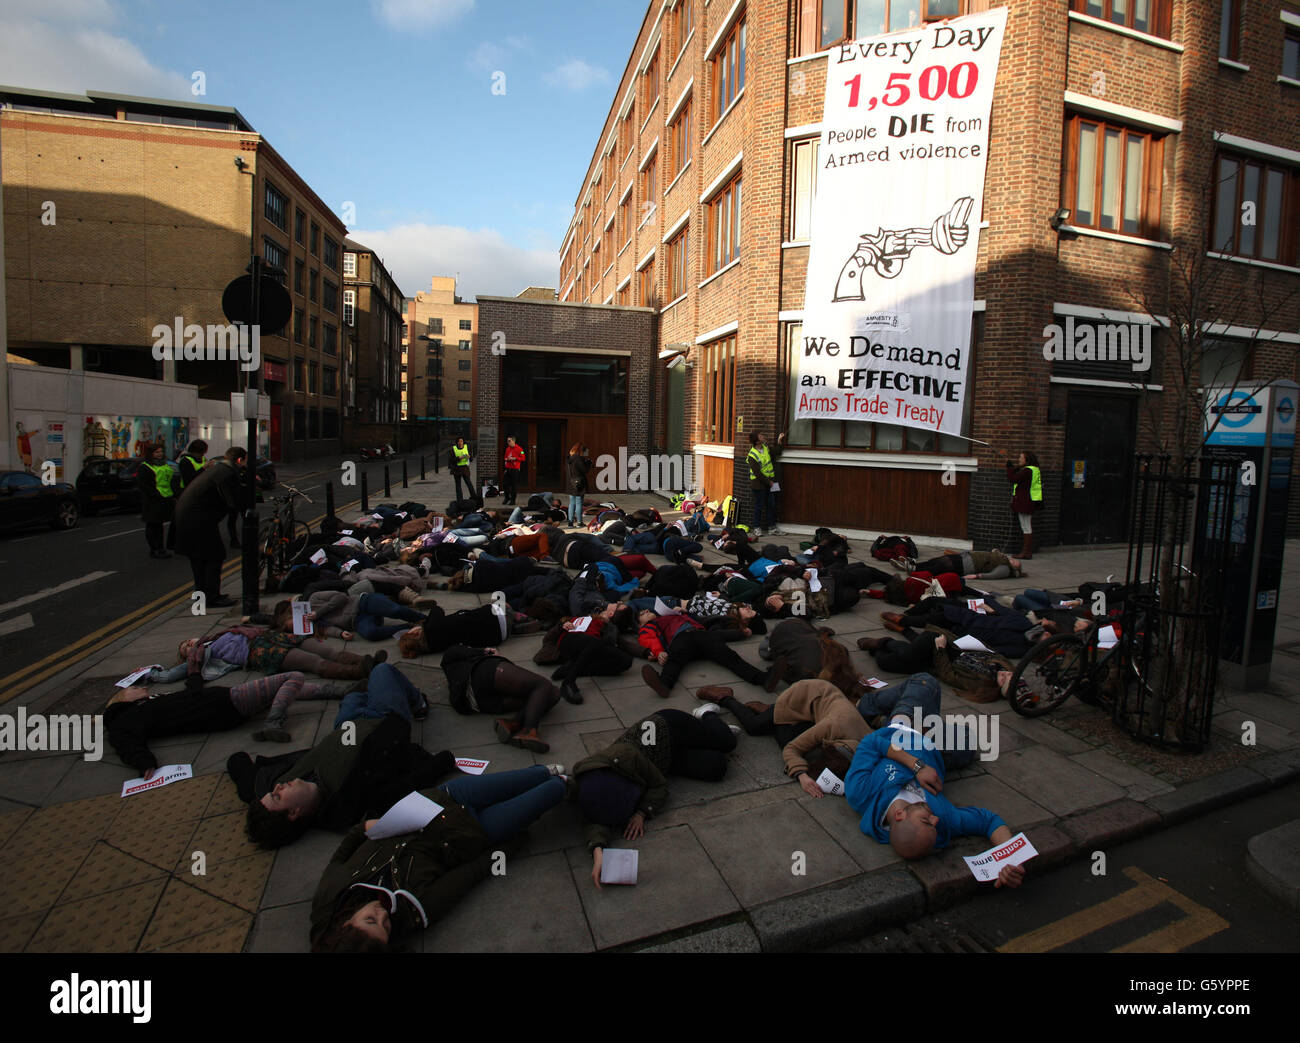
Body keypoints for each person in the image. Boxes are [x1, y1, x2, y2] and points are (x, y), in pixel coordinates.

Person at [309, 765, 568, 951]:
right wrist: (514, 843)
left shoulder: (330, 895)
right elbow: (467, 876)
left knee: (537, 774)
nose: (381, 913)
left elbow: (343, 850)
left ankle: (546, 774)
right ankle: (563, 782)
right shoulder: (413, 913)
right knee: (555, 788)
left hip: (443, 799)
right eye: (385, 926)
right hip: (472, 831)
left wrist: (364, 828)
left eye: (370, 919)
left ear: (345, 924)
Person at [844, 673, 1025, 887]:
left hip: (900, 731)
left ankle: (866, 705)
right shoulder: (941, 819)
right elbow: (988, 821)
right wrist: (1009, 861)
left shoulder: (860, 794)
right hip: (936, 748)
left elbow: (870, 743)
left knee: (925, 681)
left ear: (899, 815)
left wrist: (917, 765)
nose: (935, 820)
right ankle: (917, 720)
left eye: (926, 821)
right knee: (969, 739)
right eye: (934, 826)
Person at [240, 712, 457, 849]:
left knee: (353, 699)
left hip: (345, 724)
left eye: (272, 791)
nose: (278, 786)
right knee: (383, 673)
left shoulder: (266, 785)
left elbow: (237, 761)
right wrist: (444, 761)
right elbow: (409, 785)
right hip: (380, 718)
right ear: (294, 813)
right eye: (278, 796)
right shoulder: (350, 802)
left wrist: (256, 795)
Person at [106, 671, 339, 772]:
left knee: (285, 688)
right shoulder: (123, 718)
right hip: (226, 704)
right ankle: (272, 724)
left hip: (222, 703)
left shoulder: (142, 706)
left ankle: (341, 691)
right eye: (136, 688)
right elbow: (124, 741)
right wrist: (144, 763)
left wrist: (194, 673)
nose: (143, 688)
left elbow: (190, 693)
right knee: (294, 677)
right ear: (121, 698)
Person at [637, 609, 786, 698]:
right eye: (643, 614)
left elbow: (711, 623)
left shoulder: (676, 615)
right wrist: (659, 652)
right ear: (641, 624)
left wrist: (739, 632)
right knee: (674, 661)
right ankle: (664, 684)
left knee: (730, 657)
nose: (647, 612)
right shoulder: (652, 625)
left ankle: (763, 679)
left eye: (648, 610)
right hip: (681, 638)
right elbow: (648, 639)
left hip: (702, 635)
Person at [441, 644, 560, 753]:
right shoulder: (454, 653)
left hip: (478, 703)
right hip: (481, 674)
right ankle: (529, 730)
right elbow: (457, 651)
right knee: (543, 685)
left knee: (552, 694)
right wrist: (485, 651)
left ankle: (513, 723)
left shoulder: (453, 676)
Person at [173, 445, 244, 608]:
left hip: (187, 518)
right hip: (198, 520)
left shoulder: (218, 469)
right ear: (240, 460)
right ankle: (212, 597)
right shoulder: (226, 472)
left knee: (199, 559)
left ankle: (202, 597)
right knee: (214, 556)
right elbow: (231, 500)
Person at [747, 431, 786, 536]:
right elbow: (757, 473)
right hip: (759, 484)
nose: (763, 436)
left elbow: (776, 452)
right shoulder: (752, 455)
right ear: (756, 441)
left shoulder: (765, 448)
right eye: (760, 436)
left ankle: (772, 528)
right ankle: (756, 527)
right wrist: (769, 482)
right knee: (759, 506)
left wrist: (779, 441)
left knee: (771, 505)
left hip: (770, 483)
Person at [1007, 450, 1043, 560]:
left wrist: (1009, 468)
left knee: (1026, 527)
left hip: (1025, 501)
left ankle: (1026, 552)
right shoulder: (1034, 469)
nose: (1019, 459)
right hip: (1030, 500)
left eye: (1021, 458)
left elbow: (1013, 479)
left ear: (1026, 460)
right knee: (1026, 526)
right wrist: (1015, 468)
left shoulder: (1027, 471)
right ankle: (1026, 551)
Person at [566, 443, 591, 527]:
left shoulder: (569, 458)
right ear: (581, 451)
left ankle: (570, 523)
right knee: (579, 503)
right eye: (585, 451)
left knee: (571, 503)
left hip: (571, 483)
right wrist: (588, 463)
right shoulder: (579, 459)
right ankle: (579, 522)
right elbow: (585, 470)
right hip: (579, 483)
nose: (585, 453)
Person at [449, 437, 475, 505]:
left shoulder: (467, 447)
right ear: (457, 442)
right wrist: (459, 458)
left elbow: (471, 459)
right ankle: (460, 501)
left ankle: (474, 497)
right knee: (458, 486)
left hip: (465, 469)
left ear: (463, 442)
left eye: (461, 441)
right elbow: (451, 460)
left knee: (469, 484)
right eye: (459, 441)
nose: (460, 443)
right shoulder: (453, 449)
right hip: (456, 469)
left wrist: (469, 457)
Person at [502, 436, 526, 506]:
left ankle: (513, 500)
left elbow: (523, 458)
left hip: (515, 469)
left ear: (513, 441)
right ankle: (507, 498)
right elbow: (505, 457)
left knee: (514, 485)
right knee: (505, 484)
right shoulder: (507, 449)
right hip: (508, 468)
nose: (508, 442)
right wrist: (507, 459)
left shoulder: (519, 449)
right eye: (507, 441)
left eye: (509, 441)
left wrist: (515, 458)